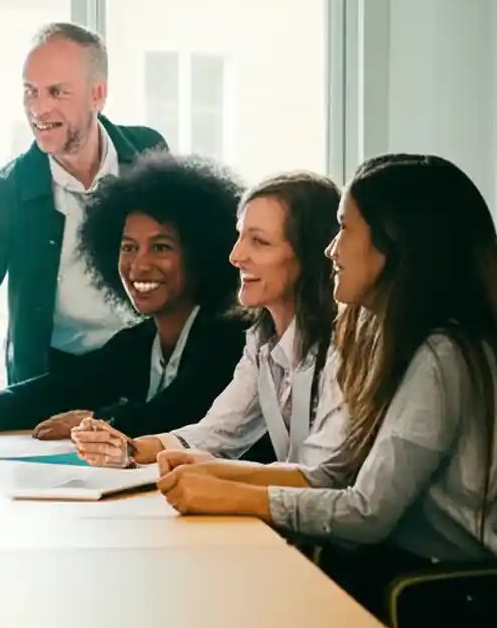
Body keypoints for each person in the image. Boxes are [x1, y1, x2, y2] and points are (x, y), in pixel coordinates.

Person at [149, 153, 497, 615]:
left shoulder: (443, 356)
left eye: (344, 228)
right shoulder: (389, 340)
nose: (331, 249)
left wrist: (238, 496)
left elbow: (366, 515)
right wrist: (216, 472)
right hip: (406, 575)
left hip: (454, 597)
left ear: (393, 244)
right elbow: (331, 476)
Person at [0, 153, 247, 443]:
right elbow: (56, 392)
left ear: (202, 253)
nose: (139, 264)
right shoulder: (140, 342)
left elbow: (180, 412)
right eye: (128, 247)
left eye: (161, 247)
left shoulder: (229, 339)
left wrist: (99, 421)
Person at [0, 22, 167, 397]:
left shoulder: (149, 153)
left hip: (147, 373)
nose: (38, 108)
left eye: (57, 92)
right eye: (30, 91)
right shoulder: (7, 190)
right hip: (52, 383)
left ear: (97, 94)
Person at [73, 171, 344, 469]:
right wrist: (128, 448)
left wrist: (217, 480)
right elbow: (217, 433)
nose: (235, 256)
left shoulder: (343, 348)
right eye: (240, 236)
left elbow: (322, 476)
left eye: (259, 241)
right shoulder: (261, 340)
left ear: (313, 253)